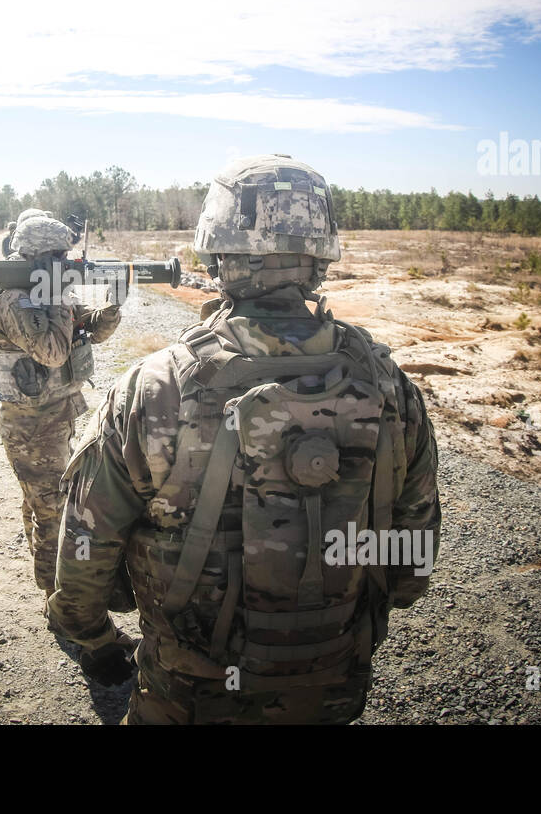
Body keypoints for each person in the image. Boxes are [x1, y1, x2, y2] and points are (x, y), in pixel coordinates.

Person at [49, 154, 441, 723]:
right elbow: (411, 569)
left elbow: (84, 557)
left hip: (186, 695)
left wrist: (92, 635)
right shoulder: (389, 387)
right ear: (320, 255)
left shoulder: (153, 388)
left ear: (218, 253)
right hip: (328, 689)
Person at [0, 216, 122, 607]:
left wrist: (103, 317)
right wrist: (58, 292)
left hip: (55, 415)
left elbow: (76, 328)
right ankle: (59, 597)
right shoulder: (13, 300)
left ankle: (49, 578)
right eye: (60, 255)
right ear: (40, 256)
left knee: (40, 499)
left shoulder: (46, 288)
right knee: (53, 508)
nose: (67, 260)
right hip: (29, 425)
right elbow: (54, 352)